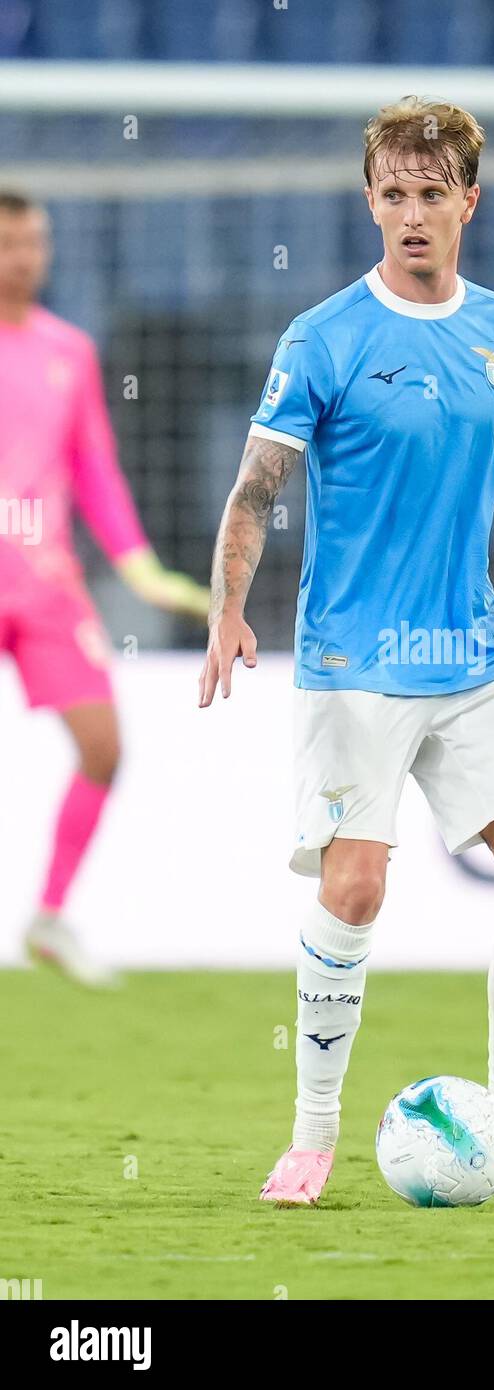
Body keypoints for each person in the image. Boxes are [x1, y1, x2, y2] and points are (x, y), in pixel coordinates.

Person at [199, 98, 494, 1204]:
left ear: (469, 200)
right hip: (353, 662)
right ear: (369, 200)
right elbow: (255, 488)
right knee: (360, 884)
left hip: (472, 654)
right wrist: (228, 604)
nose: (412, 214)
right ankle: (314, 1133)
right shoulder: (324, 335)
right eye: (393, 194)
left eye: (433, 193)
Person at [0, 191, 210, 986]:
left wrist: (138, 566)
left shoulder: (69, 350)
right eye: (10, 241)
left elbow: (94, 468)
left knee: (103, 746)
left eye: (35, 240)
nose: (26, 255)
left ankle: (49, 918)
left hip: (47, 584)